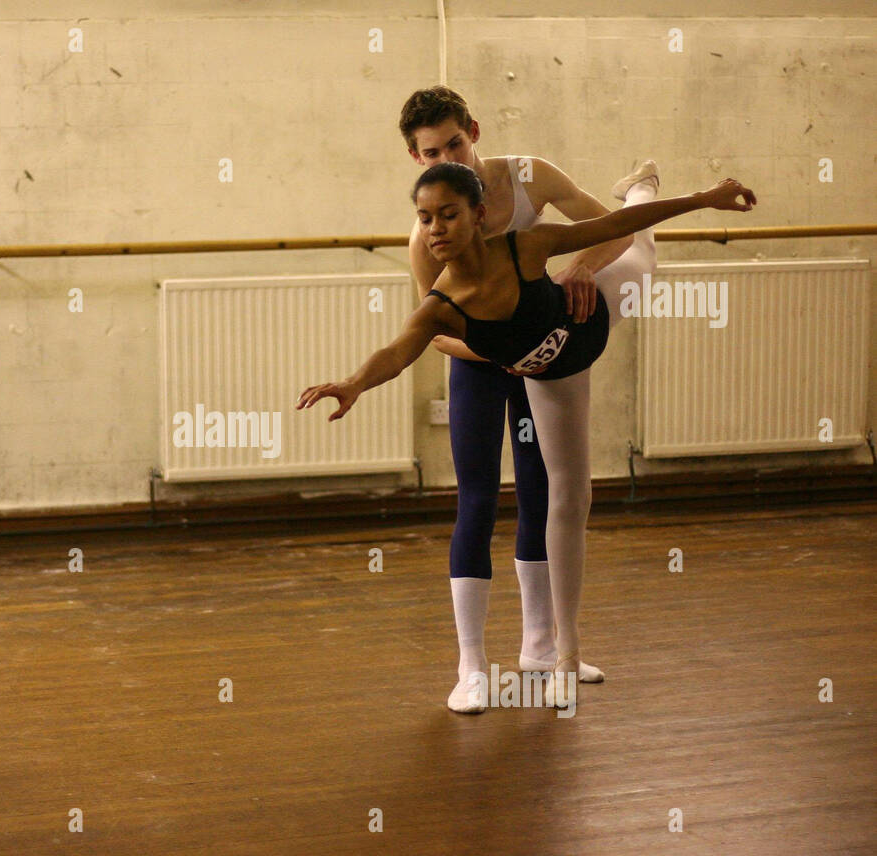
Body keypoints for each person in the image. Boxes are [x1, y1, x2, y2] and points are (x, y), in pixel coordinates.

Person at [297, 163, 755, 707]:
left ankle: (641, 178)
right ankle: (562, 655)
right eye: (426, 219)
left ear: (479, 215)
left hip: (592, 315)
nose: (437, 228)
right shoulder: (442, 306)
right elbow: (397, 352)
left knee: (643, 254)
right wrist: (353, 383)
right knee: (570, 493)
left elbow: (615, 228)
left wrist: (706, 197)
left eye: (448, 214)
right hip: (552, 375)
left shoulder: (525, 248)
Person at [399, 86, 658, 712]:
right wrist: (498, 350)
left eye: (454, 143)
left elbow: (614, 234)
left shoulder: (528, 178)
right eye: (430, 153)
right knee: (479, 497)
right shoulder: (427, 236)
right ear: (416, 159)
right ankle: (470, 666)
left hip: (542, 347)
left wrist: (579, 270)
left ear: (475, 131)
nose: (445, 158)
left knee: (544, 490)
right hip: (484, 360)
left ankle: (541, 646)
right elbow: (434, 332)